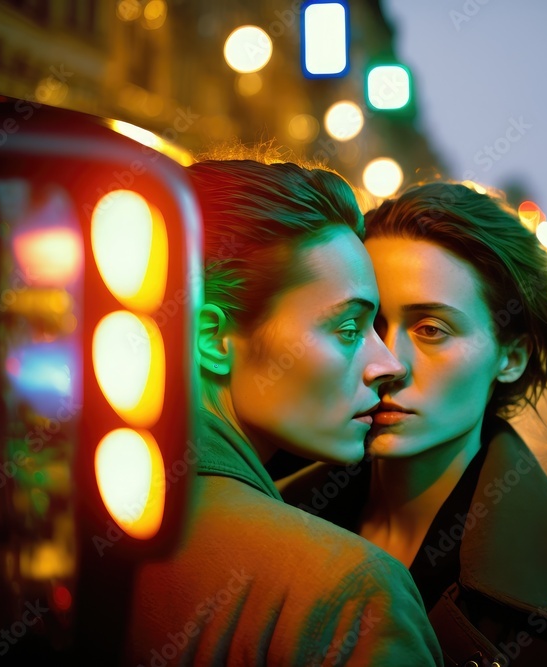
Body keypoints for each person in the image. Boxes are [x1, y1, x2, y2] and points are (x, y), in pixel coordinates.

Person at [280, 182, 547, 666]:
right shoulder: (276, 522)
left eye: (432, 329)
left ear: (511, 355)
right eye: (363, 326)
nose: (386, 362)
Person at [124, 159, 443, 666]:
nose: (387, 364)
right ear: (213, 338)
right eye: (347, 330)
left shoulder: (70, 510)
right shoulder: (351, 594)